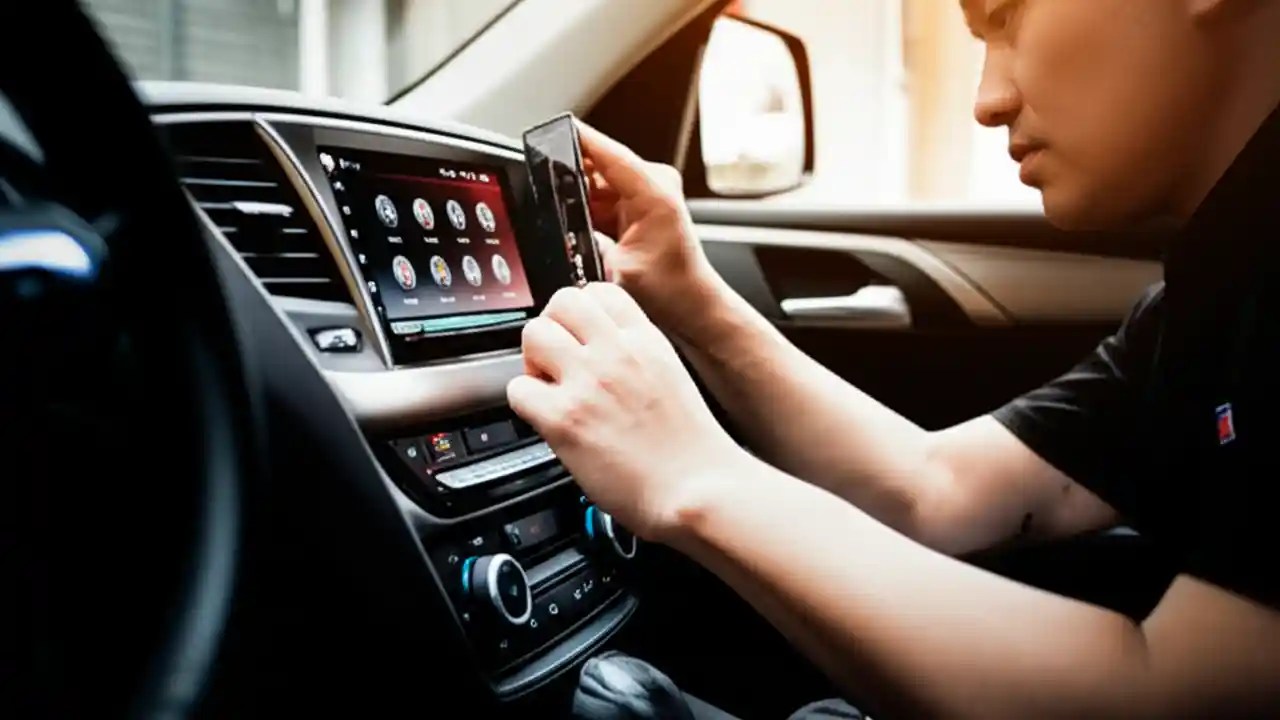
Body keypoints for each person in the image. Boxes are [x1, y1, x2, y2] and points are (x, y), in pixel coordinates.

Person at [508, 0, 1280, 717]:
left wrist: (694, 479)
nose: (987, 100)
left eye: (1006, 16)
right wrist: (692, 300)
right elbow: (932, 494)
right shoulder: (1215, 288)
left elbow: (1181, 696)